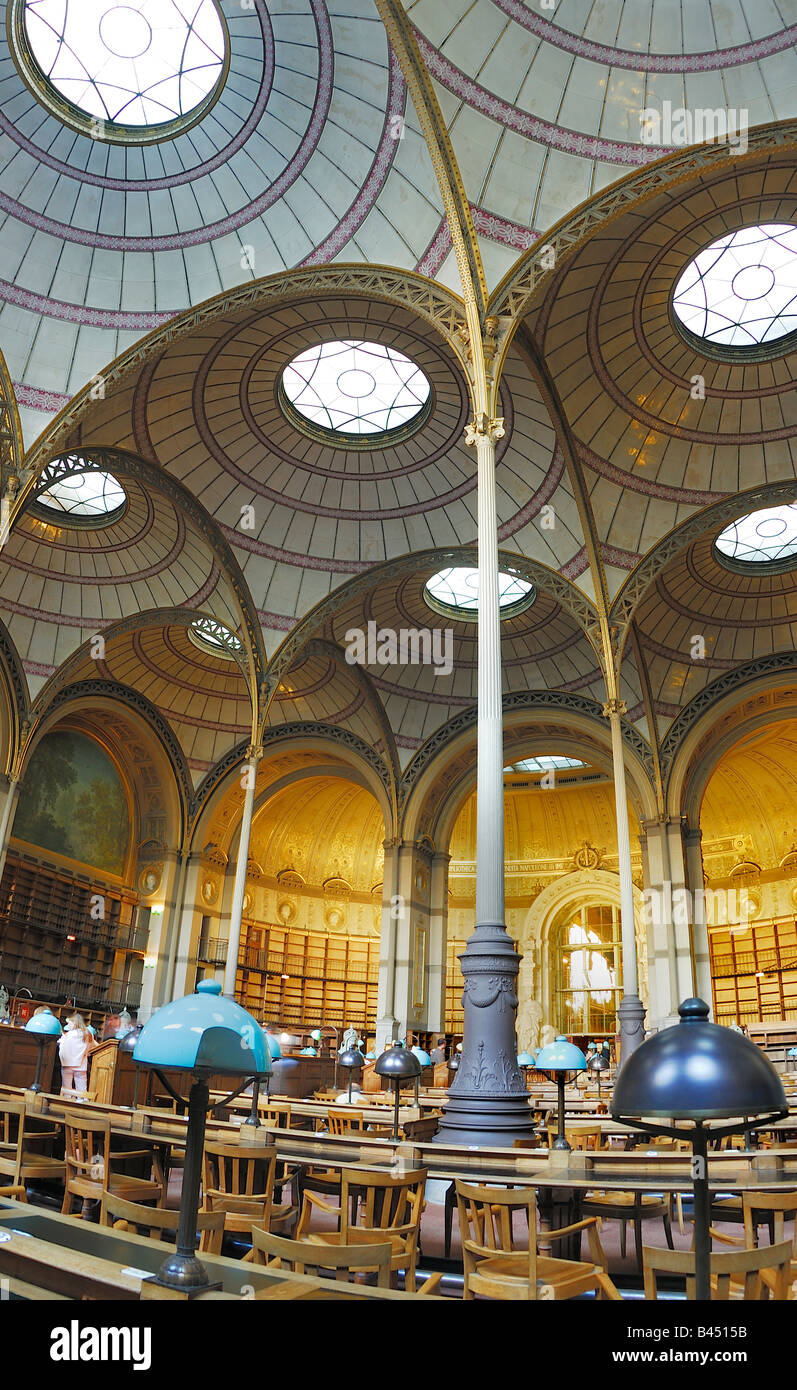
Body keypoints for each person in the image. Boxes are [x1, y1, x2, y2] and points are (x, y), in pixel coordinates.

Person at [59, 1014, 95, 1094]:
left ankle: (67, 1104)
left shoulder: (68, 1035)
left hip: (67, 1065)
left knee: (67, 1090)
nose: (68, 1025)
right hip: (81, 1065)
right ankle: (81, 1104)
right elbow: (91, 1048)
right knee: (82, 1090)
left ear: (75, 1023)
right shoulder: (88, 1034)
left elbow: (62, 1047)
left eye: (69, 1022)